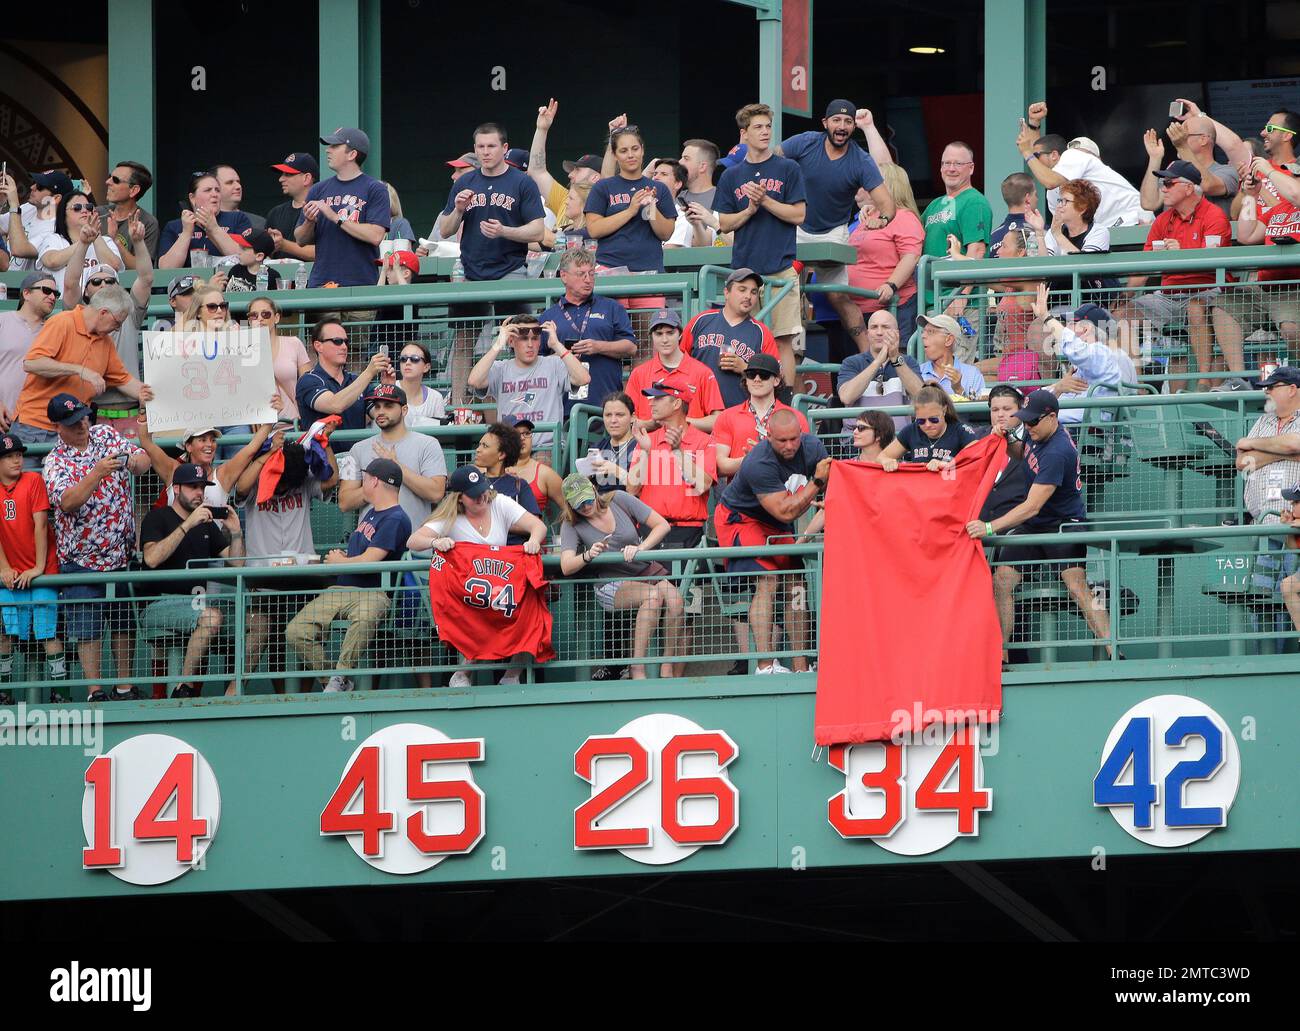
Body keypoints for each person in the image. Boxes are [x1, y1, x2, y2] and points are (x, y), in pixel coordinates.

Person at [966, 389, 1115, 665]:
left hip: (1063, 524)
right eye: (1026, 420)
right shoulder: (1036, 434)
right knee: (1002, 581)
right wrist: (1006, 440)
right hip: (1035, 526)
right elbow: (1022, 454)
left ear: (1052, 418)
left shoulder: (1058, 450)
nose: (1028, 426)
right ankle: (1001, 656)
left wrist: (989, 528)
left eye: (1033, 422)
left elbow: (1031, 506)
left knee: (1076, 584)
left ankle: (1113, 647)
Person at [42, 392, 151, 700]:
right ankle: (95, 691)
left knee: (122, 624)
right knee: (87, 629)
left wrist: (135, 460)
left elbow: (141, 463)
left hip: (119, 554)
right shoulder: (54, 462)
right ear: (58, 428)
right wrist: (97, 472)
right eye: (73, 423)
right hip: (81, 559)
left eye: (83, 418)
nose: (82, 426)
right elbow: (67, 502)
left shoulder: (104, 433)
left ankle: (124, 686)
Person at [407, 464, 547, 688]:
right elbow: (413, 541)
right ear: (460, 498)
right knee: (482, 608)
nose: (482, 497)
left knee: (529, 604)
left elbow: (538, 526)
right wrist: (435, 541)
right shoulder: (451, 516)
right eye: (474, 495)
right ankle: (464, 672)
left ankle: (513, 674)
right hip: (468, 589)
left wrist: (532, 540)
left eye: (483, 490)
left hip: (502, 584)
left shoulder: (499, 502)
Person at [714, 409, 830, 674]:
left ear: (801, 435)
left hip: (774, 524)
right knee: (768, 580)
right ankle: (764, 665)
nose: (789, 446)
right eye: (782, 441)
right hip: (741, 518)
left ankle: (801, 666)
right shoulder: (758, 461)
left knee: (796, 583)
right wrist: (818, 482)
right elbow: (785, 511)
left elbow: (834, 486)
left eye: (794, 439)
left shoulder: (813, 447)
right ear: (769, 436)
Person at [780, 99, 896, 353]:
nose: (841, 126)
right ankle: (790, 354)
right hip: (796, 225)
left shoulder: (860, 160)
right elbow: (773, 159)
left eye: (847, 121)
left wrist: (882, 219)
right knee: (786, 290)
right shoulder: (806, 141)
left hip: (833, 232)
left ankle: (870, 356)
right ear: (825, 123)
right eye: (836, 120)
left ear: (853, 126)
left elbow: (888, 204)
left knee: (838, 295)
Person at [286, 458, 412, 692]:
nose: (362, 482)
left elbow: (372, 559)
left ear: (374, 481)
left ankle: (340, 675)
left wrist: (340, 563)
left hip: (372, 594)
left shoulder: (395, 517)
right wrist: (343, 556)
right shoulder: (372, 513)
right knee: (296, 631)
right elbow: (362, 552)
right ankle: (334, 680)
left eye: (365, 477)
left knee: (364, 619)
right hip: (341, 591)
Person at [233, 428, 339, 691]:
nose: (282, 486)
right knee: (271, 637)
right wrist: (269, 452)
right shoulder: (257, 480)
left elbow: (331, 480)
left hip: (303, 572)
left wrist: (325, 444)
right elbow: (241, 486)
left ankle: (306, 692)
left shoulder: (300, 479)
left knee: (311, 633)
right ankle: (279, 693)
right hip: (263, 574)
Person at [1113, 160, 1233, 392]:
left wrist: (1183, 252)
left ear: (1189, 188)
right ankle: (1138, 389)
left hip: (1207, 292)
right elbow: (1143, 268)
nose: (1163, 188)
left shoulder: (1214, 215)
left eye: (1169, 183)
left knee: (1195, 307)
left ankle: (1203, 381)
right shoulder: (1163, 219)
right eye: (1162, 183)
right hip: (1169, 296)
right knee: (1122, 314)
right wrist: (1124, 295)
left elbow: (1215, 261)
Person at [709, 103, 807, 386]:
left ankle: (785, 399)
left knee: (783, 341)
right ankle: (747, 396)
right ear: (744, 134)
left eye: (768, 126)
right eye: (758, 127)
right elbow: (724, 223)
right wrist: (749, 210)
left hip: (781, 267)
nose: (765, 132)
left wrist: (765, 200)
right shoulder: (731, 175)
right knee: (743, 337)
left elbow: (799, 214)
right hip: (745, 272)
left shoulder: (788, 168)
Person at [559, 472, 682, 680]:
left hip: (643, 570)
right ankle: (637, 667)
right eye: (580, 504)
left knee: (676, 602)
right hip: (611, 581)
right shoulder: (571, 524)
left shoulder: (619, 499)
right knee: (653, 598)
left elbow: (662, 525)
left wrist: (640, 548)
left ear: (594, 491)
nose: (586, 507)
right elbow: (566, 565)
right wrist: (588, 555)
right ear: (571, 505)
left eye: (588, 500)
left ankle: (667, 664)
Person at [139, 463, 246, 698]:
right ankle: (184, 687)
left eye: (202, 487)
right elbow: (152, 558)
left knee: (248, 620)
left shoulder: (206, 522)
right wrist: (188, 524)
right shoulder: (158, 517)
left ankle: (231, 692)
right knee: (211, 616)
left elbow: (237, 563)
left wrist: (236, 532)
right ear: (176, 488)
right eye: (193, 487)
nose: (200, 493)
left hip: (196, 605)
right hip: (157, 605)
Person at [11, 286, 153, 447]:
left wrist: (149, 394)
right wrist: (79, 370)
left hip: (73, 429)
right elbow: (31, 363)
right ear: (103, 313)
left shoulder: (105, 341)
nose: (118, 328)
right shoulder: (63, 322)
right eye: (117, 322)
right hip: (36, 425)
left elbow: (123, 380)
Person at [58, 216, 154, 439]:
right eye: (96, 282)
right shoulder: (79, 315)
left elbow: (146, 278)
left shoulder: (128, 312)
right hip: (89, 412)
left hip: (129, 408)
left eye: (110, 281)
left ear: (119, 288)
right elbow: (70, 283)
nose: (103, 285)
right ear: (86, 292)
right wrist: (83, 243)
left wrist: (138, 242)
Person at [0, 434, 66, 701]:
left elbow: (40, 525)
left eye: (18, 455)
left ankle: (60, 694)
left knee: (47, 632)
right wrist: (4, 568)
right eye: (9, 456)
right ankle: (4, 694)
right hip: (11, 574)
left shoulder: (33, 480)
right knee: (5, 635)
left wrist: (38, 568)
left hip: (43, 570)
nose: (17, 460)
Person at [438, 122, 545, 281]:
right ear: (475, 149)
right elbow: (445, 231)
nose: (485, 152)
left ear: (504, 148)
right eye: (481, 147)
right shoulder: (464, 182)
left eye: (491, 146)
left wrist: (503, 231)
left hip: (510, 269)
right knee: (460, 303)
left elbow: (538, 232)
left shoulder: (523, 182)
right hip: (469, 269)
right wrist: (458, 211)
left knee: (514, 303)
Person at [467, 313, 589, 451]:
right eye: (524, 339)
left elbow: (583, 379)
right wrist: (498, 344)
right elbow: (474, 381)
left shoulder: (554, 364)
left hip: (546, 447)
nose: (530, 344)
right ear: (511, 341)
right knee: (475, 471)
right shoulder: (500, 368)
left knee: (536, 469)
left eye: (535, 338)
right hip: (509, 448)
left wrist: (556, 345)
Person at [537, 249, 638, 414]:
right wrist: (561, 356)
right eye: (581, 274)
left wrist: (598, 347)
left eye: (591, 274)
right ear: (564, 276)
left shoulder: (611, 307)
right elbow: (537, 363)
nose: (588, 279)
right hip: (561, 406)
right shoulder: (548, 316)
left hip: (605, 404)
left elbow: (631, 348)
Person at [295, 127, 390, 289]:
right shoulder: (318, 189)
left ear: (352, 154)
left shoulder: (375, 188)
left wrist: (334, 216)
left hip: (361, 283)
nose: (327, 150)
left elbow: (375, 235)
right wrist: (309, 222)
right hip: (322, 282)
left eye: (334, 146)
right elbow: (300, 239)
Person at [341, 383, 447, 529]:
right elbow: (344, 502)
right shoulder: (357, 449)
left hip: (414, 544)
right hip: (370, 545)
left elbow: (436, 493)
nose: (381, 411)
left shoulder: (429, 444)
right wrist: (376, 483)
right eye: (377, 406)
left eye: (388, 406)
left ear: (404, 410)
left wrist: (396, 466)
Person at [844, 163, 925, 353]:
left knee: (892, 371)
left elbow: (911, 257)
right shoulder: (870, 216)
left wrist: (891, 285)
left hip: (892, 309)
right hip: (858, 312)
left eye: (874, 182)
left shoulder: (904, 217)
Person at [1017, 109, 1146, 228]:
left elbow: (1050, 179)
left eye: (1036, 157)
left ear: (1055, 155)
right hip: (1106, 229)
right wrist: (1034, 124)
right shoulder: (1053, 192)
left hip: (1133, 217)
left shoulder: (1072, 155)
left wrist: (1027, 152)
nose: (1034, 161)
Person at [627, 381, 717, 548]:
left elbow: (704, 484)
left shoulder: (704, 441)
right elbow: (631, 489)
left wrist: (678, 451)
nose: (650, 402)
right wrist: (646, 452)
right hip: (650, 530)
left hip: (687, 532)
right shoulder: (647, 440)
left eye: (659, 398)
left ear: (677, 403)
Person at [681, 269, 782, 408]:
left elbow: (776, 378)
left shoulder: (762, 333)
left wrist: (745, 369)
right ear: (726, 293)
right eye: (742, 290)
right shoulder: (701, 321)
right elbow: (677, 361)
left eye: (753, 292)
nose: (748, 296)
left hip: (740, 416)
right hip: (697, 411)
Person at [584, 123, 677, 273]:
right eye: (623, 151)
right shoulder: (602, 187)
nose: (630, 155)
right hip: (610, 267)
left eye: (635, 149)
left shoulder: (659, 188)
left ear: (642, 150)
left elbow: (666, 234)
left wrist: (650, 207)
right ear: (615, 155)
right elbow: (594, 230)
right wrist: (630, 211)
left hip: (650, 268)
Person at [295, 319, 393, 444]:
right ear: (318, 346)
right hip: (321, 459)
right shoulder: (308, 380)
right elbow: (335, 405)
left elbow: (382, 415)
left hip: (356, 458)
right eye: (337, 341)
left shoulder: (356, 380)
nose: (344, 347)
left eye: (346, 342)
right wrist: (368, 372)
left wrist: (388, 389)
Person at [712, 353, 809, 480]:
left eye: (764, 375)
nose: (757, 379)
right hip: (742, 494)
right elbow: (719, 466)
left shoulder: (795, 417)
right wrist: (749, 460)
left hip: (783, 493)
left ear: (776, 380)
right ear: (746, 379)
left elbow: (805, 462)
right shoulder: (727, 416)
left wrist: (769, 457)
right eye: (751, 375)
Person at [625, 309, 724, 432]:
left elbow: (718, 421)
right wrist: (652, 424)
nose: (665, 339)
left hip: (691, 448)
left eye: (670, 333)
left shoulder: (702, 372)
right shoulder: (639, 374)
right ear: (652, 336)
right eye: (659, 334)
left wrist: (679, 421)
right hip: (649, 447)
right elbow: (626, 419)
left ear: (680, 334)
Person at [527, 99, 603, 229]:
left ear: (595, 177)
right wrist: (541, 129)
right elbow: (536, 171)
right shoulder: (565, 199)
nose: (570, 175)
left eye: (578, 170)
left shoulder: (606, 206)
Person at [0, 273, 59, 432]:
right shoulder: (3, 320)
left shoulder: (55, 330)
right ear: (26, 293)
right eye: (46, 290)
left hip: (37, 425)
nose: (53, 296)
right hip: (3, 416)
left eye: (56, 293)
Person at [158, 171, 251, 268]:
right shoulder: (174, 227)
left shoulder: (237, 218)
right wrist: (186, 233)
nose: (214, 194)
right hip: (189, 281)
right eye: (208, 190)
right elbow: (166, 268)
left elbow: (246, 258)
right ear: (192, 198)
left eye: (217, 190)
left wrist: (214, 229)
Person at [34, 190, 123, 289]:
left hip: (98, 302)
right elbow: (52, 261)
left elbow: (114, 266)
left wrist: (95, 235)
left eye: (89, 207)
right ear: (63, 214)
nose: (84, 211)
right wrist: (83, 242)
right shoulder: (54, 239)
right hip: (61, 302)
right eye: (77, 208)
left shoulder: (105, 241)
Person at [836, 309, 925, 406]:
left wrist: (895, 359)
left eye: (885, 327)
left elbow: (922, 397)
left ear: (897, 333)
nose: (879, 332)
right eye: (874, 327)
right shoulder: (851, 363)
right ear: (867, 333)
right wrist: (878, 362)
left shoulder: (908, 362)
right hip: (861, 421)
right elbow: (846, 397)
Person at [878, 385, 980, 470]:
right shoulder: (911, 430)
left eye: (933, 419)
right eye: (921, 421)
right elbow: (881, 457)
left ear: (944, 410)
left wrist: (947, 464)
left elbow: (978, 455)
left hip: (949, 489)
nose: (928, 425)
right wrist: (886, 461)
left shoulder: (960, 430)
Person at [921, 142, 992, 260]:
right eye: (947, 163)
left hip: (953, 278)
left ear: (971, 168)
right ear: (941, 167)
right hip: (929, 277)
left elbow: (977, 253)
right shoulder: (934, 205)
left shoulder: (974, 202)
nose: (951, 169)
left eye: (958, 164)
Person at [246, 297, 312, 421]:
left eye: (265, 314)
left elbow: (309, 386)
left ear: (276, 318)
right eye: (253, 315)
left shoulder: (294, 343)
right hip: (257, 424)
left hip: (292, 422)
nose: (260, 318)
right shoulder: (242, 349)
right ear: (249, 321)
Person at [471, 423, 544, 534]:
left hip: (511, 549)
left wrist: (496, 524)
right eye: (479, 444)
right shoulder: (473, 482)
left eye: (484, 446)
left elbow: (534, 524)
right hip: (480, 549)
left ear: (501, 455)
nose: (478, 450)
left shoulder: (518, 485)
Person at [0, 169, 72, 271]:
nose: (32, 187)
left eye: (40, 186)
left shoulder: (56, 229)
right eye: (34, 183)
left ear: (56, 198)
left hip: (24, 285)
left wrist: (14, 205)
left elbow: (19, 250)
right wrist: (0, 202)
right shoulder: (29, 208)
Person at [97, 160, 160, 269]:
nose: (107, 182)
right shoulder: (97, 213)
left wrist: (115, 240)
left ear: (134, 190)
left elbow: (142, 269)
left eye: (115, 180)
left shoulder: (148, 223)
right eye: (109, 177)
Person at [915, 313, 987, 399]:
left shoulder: (972, 374)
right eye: (923, 332)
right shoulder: (916, 374)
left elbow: (978, 410)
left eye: (931, 332)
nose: (923, 336)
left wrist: (959, 390)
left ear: (948, 340)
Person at [266, 151, 319, 261]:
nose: (281, 179)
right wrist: (269, 246)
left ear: (306, 178)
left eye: (288, 174)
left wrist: (284, 245)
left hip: (311, 276)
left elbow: (325, 252)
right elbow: (265, 255)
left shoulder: (322, 209)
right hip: (280, 277)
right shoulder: (275, 213)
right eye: (282, 174)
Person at [650, 158, 713, 247]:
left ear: (677, 184)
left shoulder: (682, 216)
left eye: (664, 174)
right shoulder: (646, 210)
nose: (655, 177)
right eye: (654, 174)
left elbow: (670, 252)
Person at [508, 420, 565, 517]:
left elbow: (571, 509)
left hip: (532, 531)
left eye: (526, 433)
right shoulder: (494, 469)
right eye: (516, 434)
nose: (522, 438)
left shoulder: (545, 473)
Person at [589, 391, 638, 494]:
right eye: (608, 415)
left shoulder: (640, 446)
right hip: (600, 506)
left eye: (620, 415)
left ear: (632, 417)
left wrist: (615, 470)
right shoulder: (598, 446)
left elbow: (639, 491)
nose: (613, 420)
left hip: (627, 506)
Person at [395, 342, 447, 426]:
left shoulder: (435, 398)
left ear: (426, 367)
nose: (407, 362)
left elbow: (440, 433)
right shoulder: (389, 388)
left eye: (414, 359)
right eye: (403, 359)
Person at [989, 172, 1039, 251]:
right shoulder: (1041, 232)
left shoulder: (992, 237)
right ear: (1028, 198)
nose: (1037, 199)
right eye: (1036, 195)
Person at [210, 164, 265, 231]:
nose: (238, 186)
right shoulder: (201, 223)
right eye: (230, 182)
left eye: (238, 182)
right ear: (214, 187)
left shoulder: (258, 223)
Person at [680, 139, 720, 209]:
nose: (680, 162)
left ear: (702, 167)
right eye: (681, 158)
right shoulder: (675, 197)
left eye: (686, 159)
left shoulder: (722, 199)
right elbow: (653, 218)